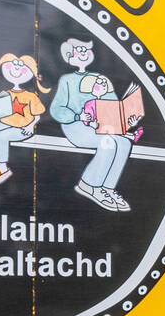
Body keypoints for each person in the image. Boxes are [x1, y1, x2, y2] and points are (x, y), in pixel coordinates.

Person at [49, 37, 134, 212]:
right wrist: (78, 115)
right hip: (76, 126)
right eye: (78, 50)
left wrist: (126, 118)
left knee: (124, 142)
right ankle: (89, 184)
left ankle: (108, 188)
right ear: (70, 56)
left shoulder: (100, 79)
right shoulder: (67, 80)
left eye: (85, 50)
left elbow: (112, 106)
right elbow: (57, 109)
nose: (83, 54)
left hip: (102, 126)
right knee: (108, 142)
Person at [0, 53, 51, 189]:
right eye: (10, 67)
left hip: (22, 128)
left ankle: (1, 168)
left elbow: (37, 116)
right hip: (5, 124)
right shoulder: (6, 93)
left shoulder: (31, 96)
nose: (16, 71)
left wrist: (31, 126)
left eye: (22, 69)